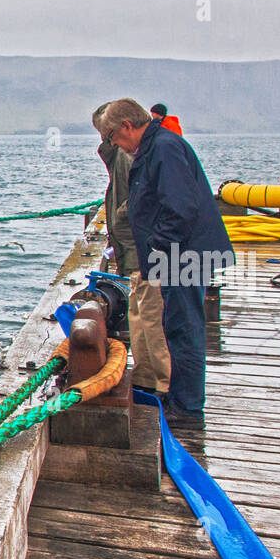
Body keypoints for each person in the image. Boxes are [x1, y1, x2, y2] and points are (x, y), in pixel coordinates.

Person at [101, 98, 233, 429]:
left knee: (184, 330)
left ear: (128, 126)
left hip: (183, 256)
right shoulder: (155, 148)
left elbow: (180, 208)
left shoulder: (164, 149)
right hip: (177, 255)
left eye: (114, 136)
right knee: (176, 327)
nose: (115, 144)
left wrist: (158, 248)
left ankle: (188, 409)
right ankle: (180, 398)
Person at [91, 103, 171, 400]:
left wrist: (124, 218)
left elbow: (140, 200)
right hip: (133, 248)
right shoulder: (122, 155)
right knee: (139, 314)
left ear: (124, 128)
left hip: (142, 249)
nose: (107, 141)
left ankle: (161, 385)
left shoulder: (129, 158)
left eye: (108, 134)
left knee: (149, 316)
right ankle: (147, 378)